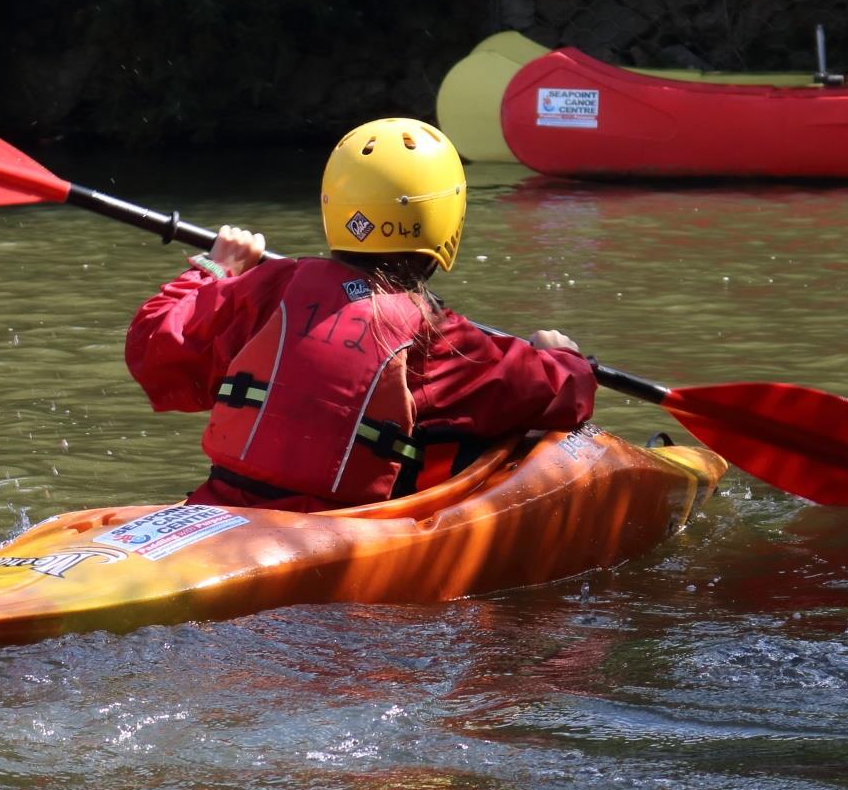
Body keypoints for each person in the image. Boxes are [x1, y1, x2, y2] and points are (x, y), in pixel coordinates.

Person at [124, 118, 596, 511]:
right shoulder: (440, 337)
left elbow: (153, 348)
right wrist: (563, 359)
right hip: (339, 533)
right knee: (497, 440)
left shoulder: (270, 285)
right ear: (447, 217)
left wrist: (216, 268)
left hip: (217, 510)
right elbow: (563, 397)